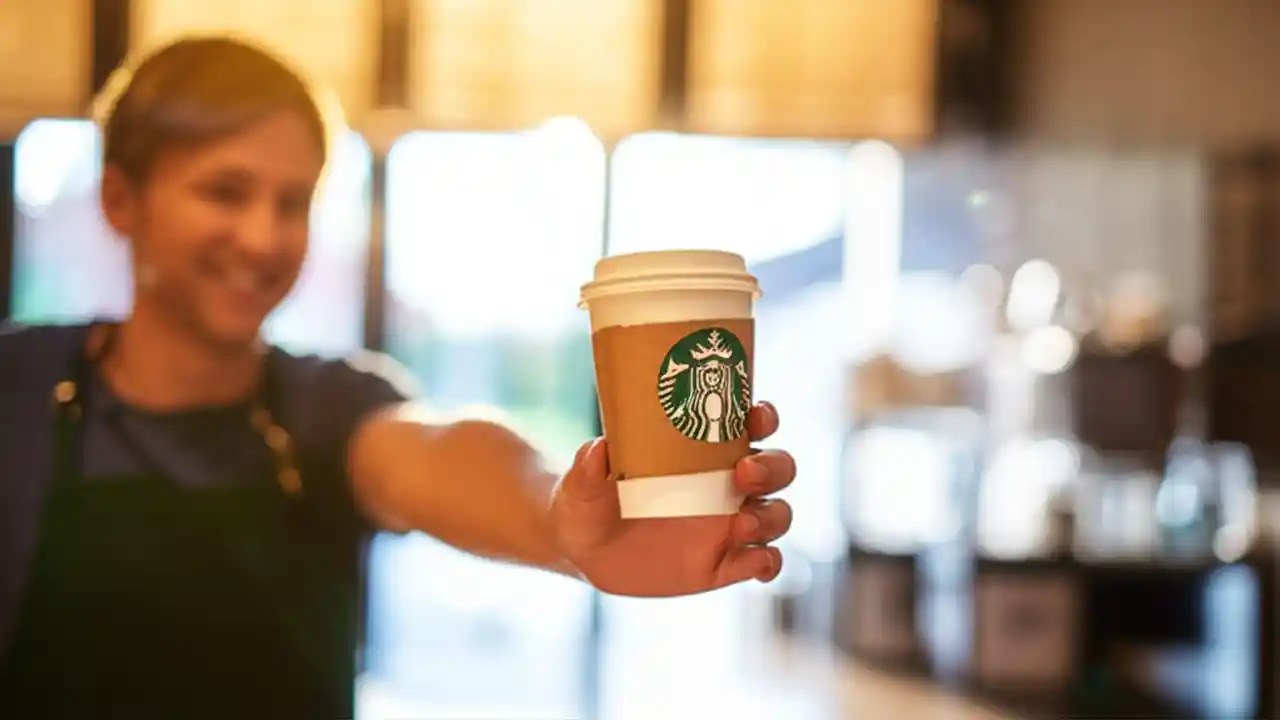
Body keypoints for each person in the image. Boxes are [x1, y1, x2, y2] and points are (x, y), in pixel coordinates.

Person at [0, 38, 796, 717]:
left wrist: (565, 525)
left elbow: (436, 454)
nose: (263, 236)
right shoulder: (16, 384)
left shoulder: (326, 406)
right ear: (118, 199)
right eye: (224, 192)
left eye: (292, 202)